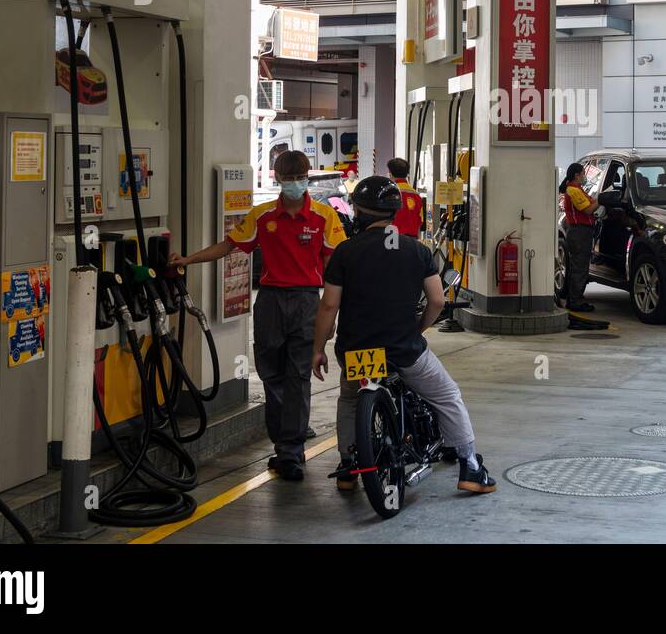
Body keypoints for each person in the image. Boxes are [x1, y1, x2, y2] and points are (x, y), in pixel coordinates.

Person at [311, 176, 495, 494]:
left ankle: (347, 466)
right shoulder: (415, 250)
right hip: (404, 349)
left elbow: (329, 306)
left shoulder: (345, 252)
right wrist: (418, 328)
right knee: (447, 396)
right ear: (395, 212)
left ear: (357, 211)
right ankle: (470, 468)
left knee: (351, 401)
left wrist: (319, 348)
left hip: (357, 349)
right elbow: (437, 300)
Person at [170, 150, 347, 481]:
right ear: (277, 179)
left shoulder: (324, 217)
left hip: (307, 301)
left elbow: (335, 267)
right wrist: (188, 260)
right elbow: (229, 246)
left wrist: (330, 314)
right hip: (270, 302)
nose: (294, 184)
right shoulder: (263, 215)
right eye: (288, 178)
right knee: (270, 374)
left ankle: (291, 451)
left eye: (299, 177)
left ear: (307, 177)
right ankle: (283, 443)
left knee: (298, 376)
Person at [560, 162, 596, 316]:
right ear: (576, 175)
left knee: (578, 268)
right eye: (583, 173)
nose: (584, 176)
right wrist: (601, 199)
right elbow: (588, 209)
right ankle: (576, 302)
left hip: (581, 232)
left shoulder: (577, 189)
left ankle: (575, 299)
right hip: (579, 232)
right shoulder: (573, 191)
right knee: (579, 268)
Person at [387, 156, 425, 237]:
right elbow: (420, 222)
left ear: (390, 174)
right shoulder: (417, 195)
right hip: (412, 242)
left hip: (393, 241)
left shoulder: (389, 193)